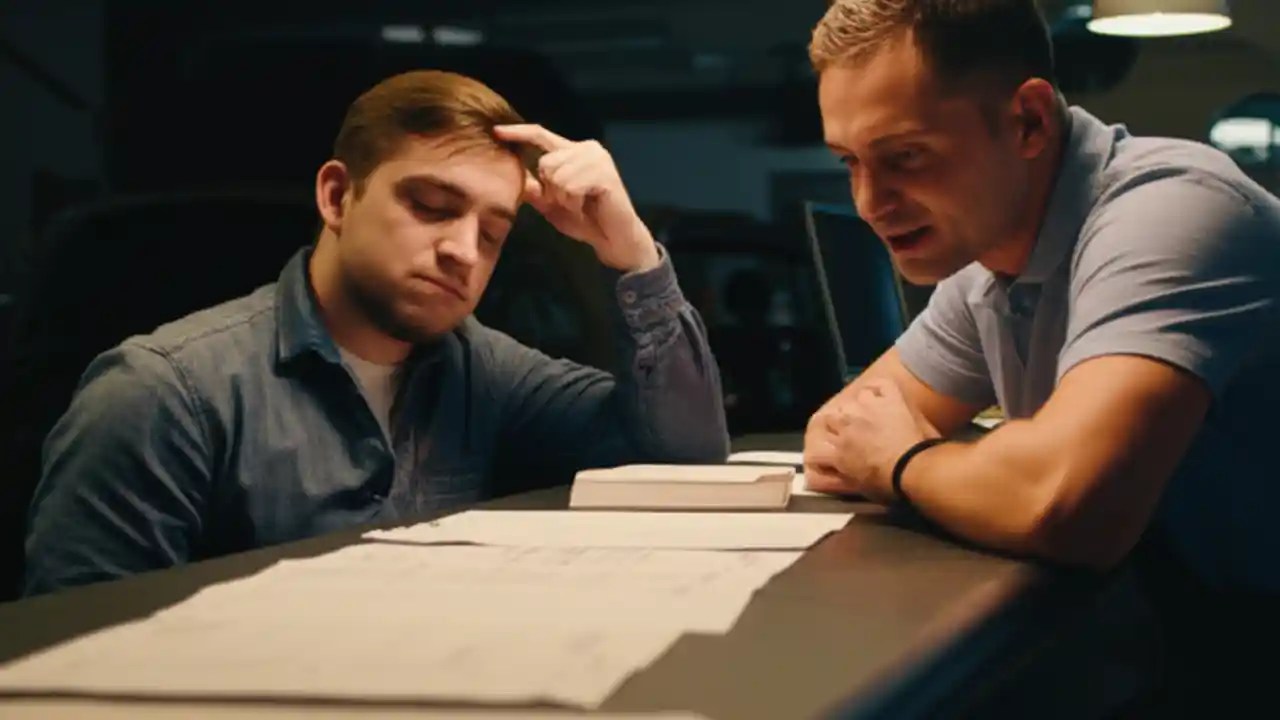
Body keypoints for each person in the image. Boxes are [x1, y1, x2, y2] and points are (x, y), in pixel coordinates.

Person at [24, 70, 729, 595]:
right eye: (430, 206)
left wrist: (632, 250)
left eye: (492, 233)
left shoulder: (485, 371)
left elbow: (686, 456)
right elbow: (73, 658)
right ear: (337, 195)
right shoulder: (162, 395)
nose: (462, 250)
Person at [802, 1, 1278, 712]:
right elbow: (838, 438)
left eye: (904, 157)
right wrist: (977, 471)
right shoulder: (983, 261)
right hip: (1182, 634)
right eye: (850, 163)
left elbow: (1065, 504)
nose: (870, 202)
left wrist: (907, 463)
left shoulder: (1175, 210)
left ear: (1027, 120)